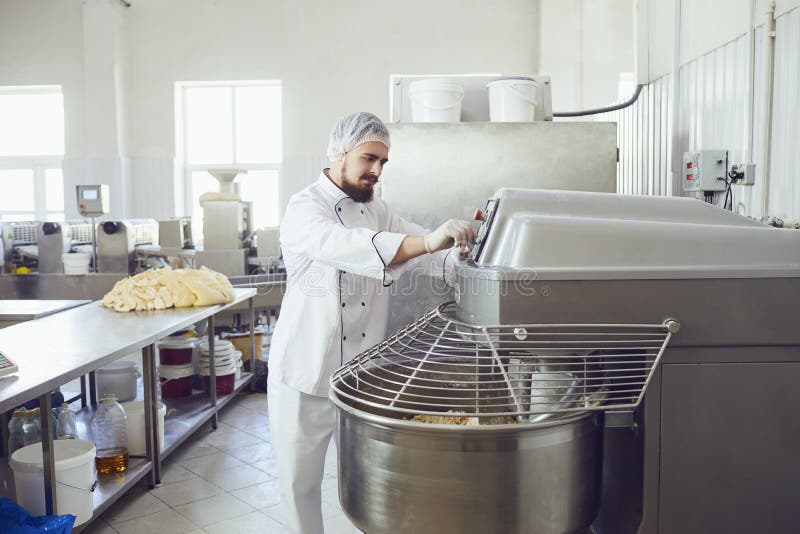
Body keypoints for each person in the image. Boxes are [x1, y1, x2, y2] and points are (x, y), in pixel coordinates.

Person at [267, 112, 475, 533]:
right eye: (369, 159)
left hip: (359, 376)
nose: (376, 171)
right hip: (304, 374)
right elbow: (349, 247)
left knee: (372, 481)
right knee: (299, 485)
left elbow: (427, 254)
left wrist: (460, 249)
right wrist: (428, 240)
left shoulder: (377, 211)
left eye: (383, 163)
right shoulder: (304, 208)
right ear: (339, 153)